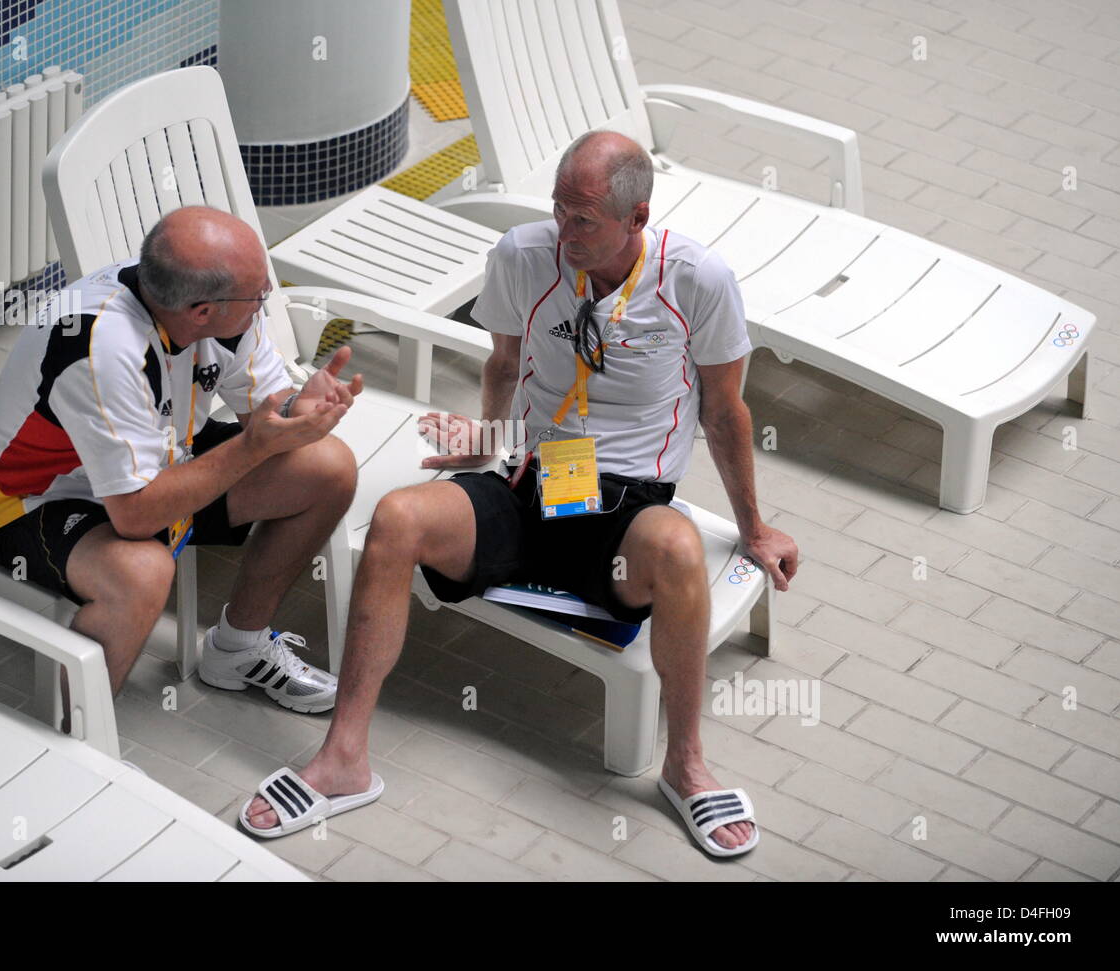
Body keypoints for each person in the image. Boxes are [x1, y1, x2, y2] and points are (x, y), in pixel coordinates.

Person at [238, 132, 799, 857]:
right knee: (398, 516)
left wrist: (755, 527)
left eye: (584, 220)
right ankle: (344, 756)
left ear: (637, 219)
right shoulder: (522, 255)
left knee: (679, 545)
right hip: (530, 480)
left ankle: (684, 764)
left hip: (623, 510)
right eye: (558, 210)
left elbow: (725, 412)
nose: (563, 233)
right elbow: (505, 360)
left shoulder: (697, 280)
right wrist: (490, 437)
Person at [0, 206, 360, 720]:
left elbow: (261, 413)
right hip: (36, 498)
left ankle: (237, 650)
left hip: (166, 457)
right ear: (201, 312)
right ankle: (75, 741)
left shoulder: (213, 301)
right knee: (141, 574)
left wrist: (293, 413)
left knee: (325, 467)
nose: (266, 299)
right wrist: (255, 447)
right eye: (258, 293)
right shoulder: (100, 346)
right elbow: (135, 516)